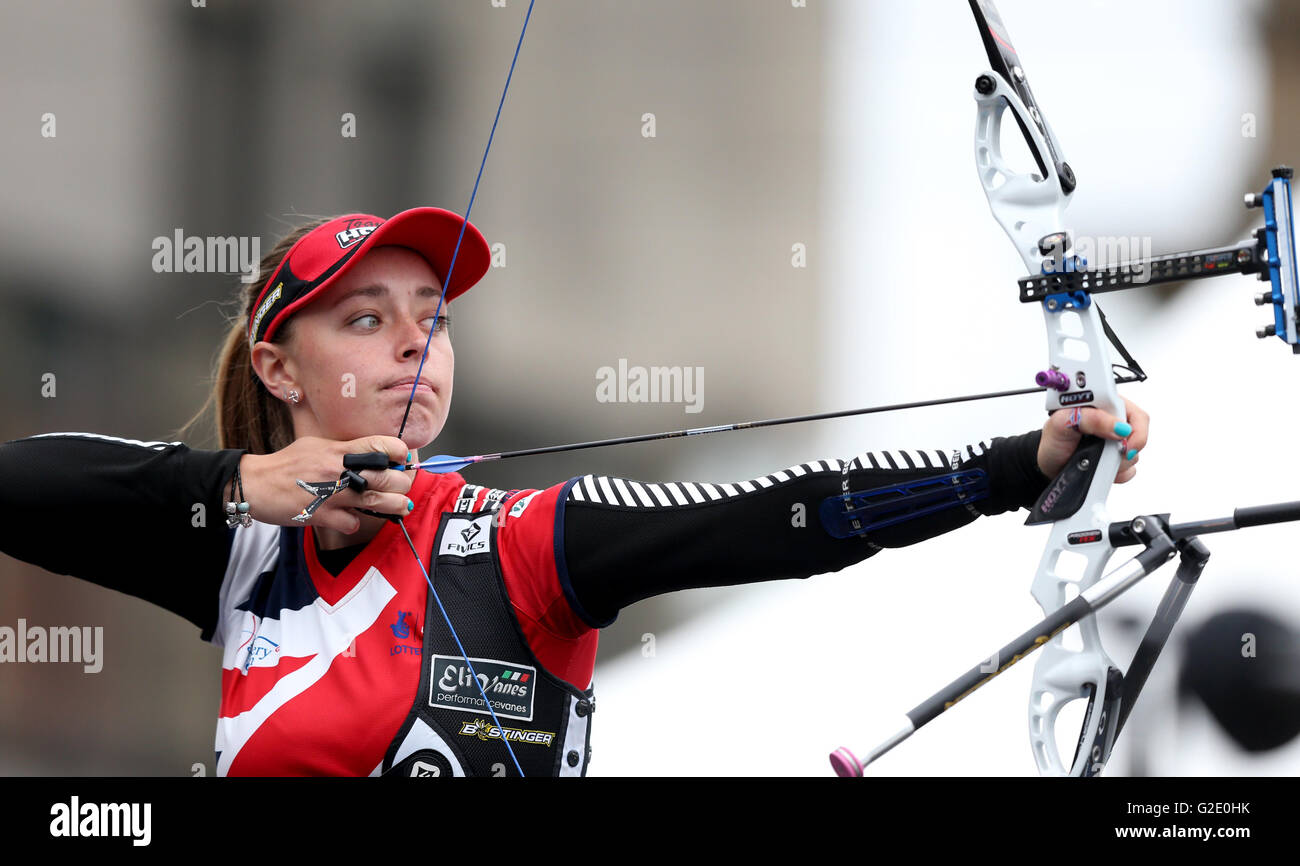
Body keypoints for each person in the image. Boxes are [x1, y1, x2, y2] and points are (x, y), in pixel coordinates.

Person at [0, 207, 1149, 776]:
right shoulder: (240, 550)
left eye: (433, 319)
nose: (416, 343)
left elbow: (778, 516)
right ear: (276, 368)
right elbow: (22, 487)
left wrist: (1018, 464)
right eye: (366, 318)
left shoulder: (519, 538)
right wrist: (237, 482)